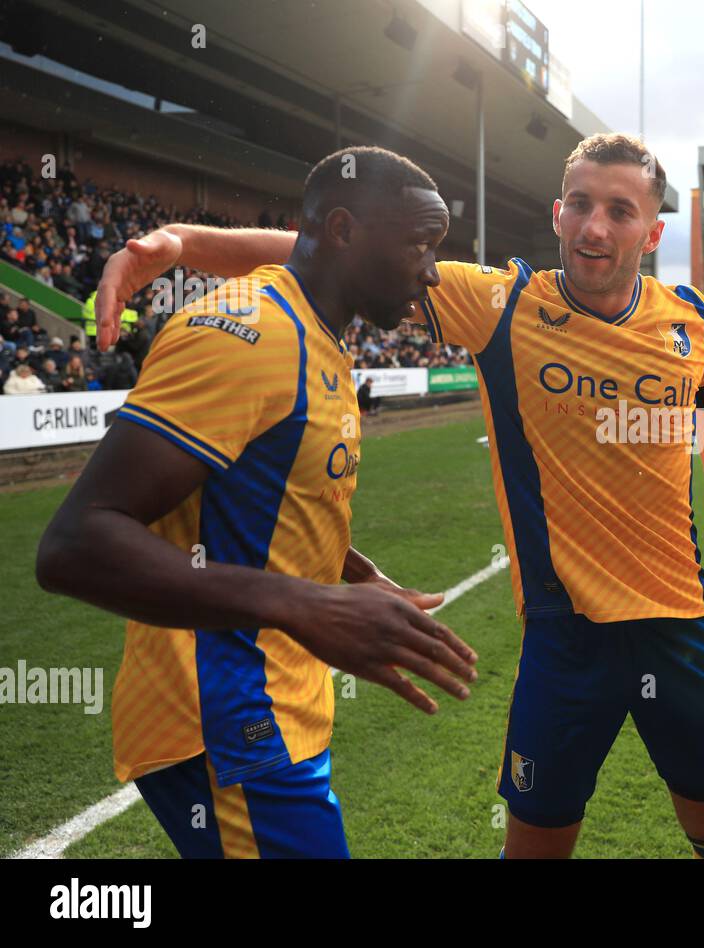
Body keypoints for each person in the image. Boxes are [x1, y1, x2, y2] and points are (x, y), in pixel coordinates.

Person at [96, 133, 704, 860]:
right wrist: (183, 243)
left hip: (679, 627)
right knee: (537, 840)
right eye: (580, 204)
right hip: (563, 640)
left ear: (652, 230)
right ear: (558, 214)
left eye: (621, 211)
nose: (596, 226)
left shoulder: (693, 322)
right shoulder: (502, 305)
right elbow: (324, 254)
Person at [38, 146, 479, 859]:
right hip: (225, 723)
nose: (430, 272)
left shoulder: (318, 321)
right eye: (418, 247)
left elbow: (257, 488)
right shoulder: (249, 334)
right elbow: (75, 544)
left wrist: (341, 567)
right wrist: (306, 604)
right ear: (342, 231)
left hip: (272, 710)